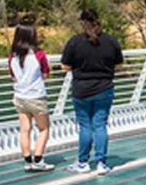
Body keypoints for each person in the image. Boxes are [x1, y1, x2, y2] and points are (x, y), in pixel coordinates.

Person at [61, 9, 123, 175]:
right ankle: (102, 163)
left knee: (85, 126)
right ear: (98, 21)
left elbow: (65, 66)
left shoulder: (75, 42)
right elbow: (118, 64)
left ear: (82, 23)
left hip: (81, 90)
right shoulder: (111, 41)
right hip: (104, 89)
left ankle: (83, 162)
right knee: (100, 125)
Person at [9, 24, 54, 172]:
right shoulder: (39, 55)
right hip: (36, 96)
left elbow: (14, 78)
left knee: (24, 130)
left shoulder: (12, 57)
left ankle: (27, 160)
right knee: (44, 128)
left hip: (20, 97)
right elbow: (46, 74)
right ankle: (38, 159)